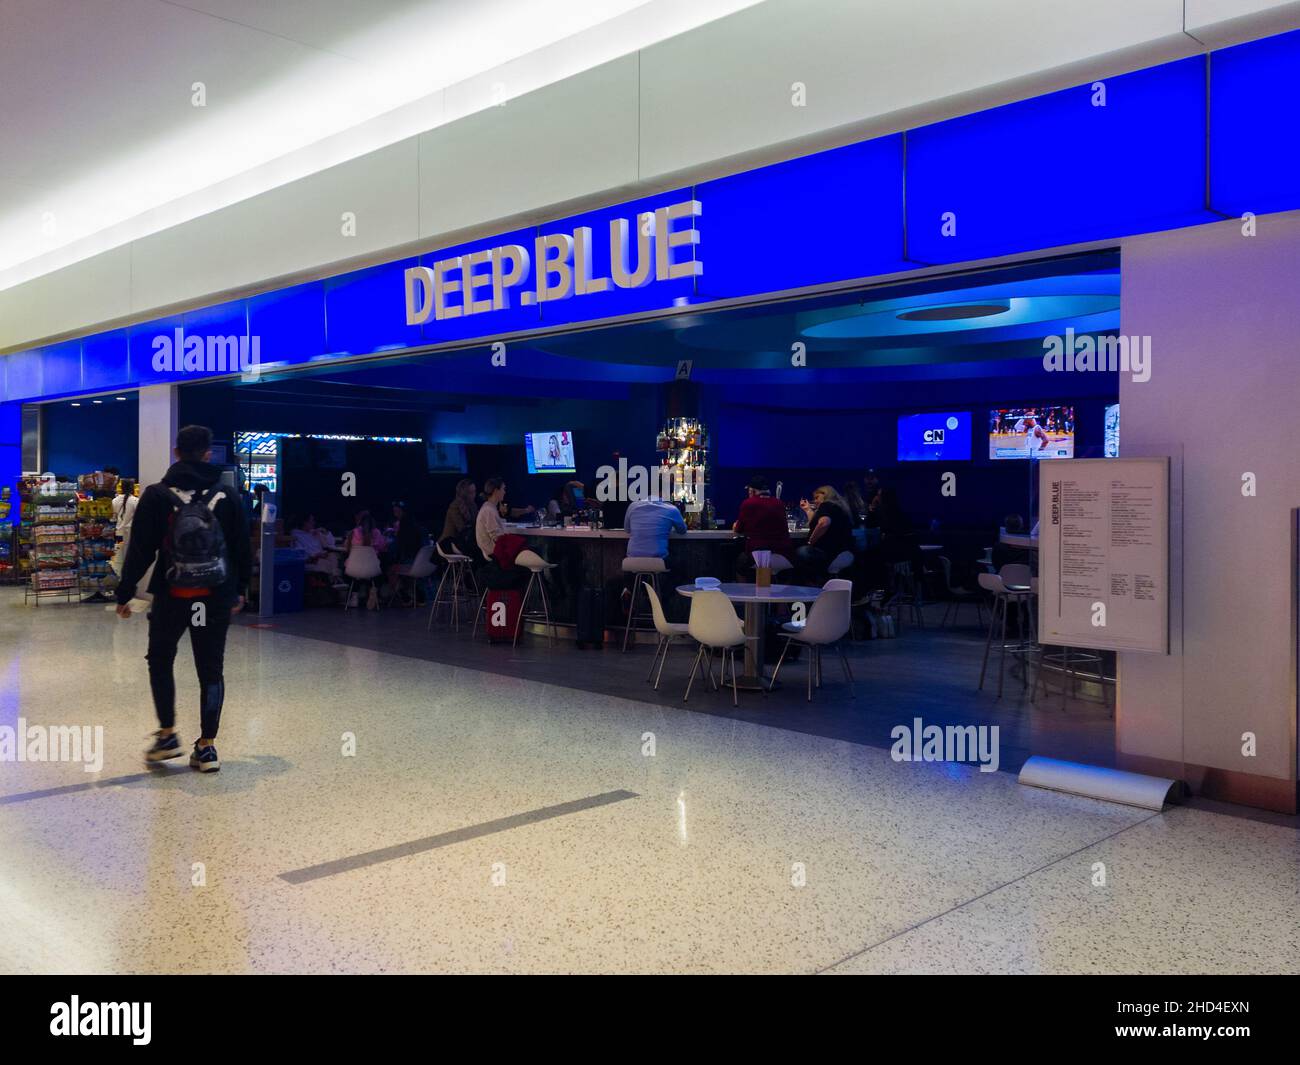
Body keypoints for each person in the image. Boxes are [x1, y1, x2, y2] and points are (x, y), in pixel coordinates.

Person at [114, 425, 251, 774]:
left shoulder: (158, 495)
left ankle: (167, 734)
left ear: (176, 452)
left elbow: (141, 549)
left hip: (173, 597)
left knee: (160, 659)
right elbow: (241, 549)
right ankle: (207, 748)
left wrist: (125, 591)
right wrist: (241, 589)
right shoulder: (227, 495)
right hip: (213, 598)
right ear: (208, 453)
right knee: (211, 669)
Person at [732, 474, 794, 572]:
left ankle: (743, 587)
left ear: (752, 491)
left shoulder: (748, 503)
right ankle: (785, 585)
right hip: (783, 555)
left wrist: (735, 525)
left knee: (741, 561)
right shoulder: (779, 503)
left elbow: (738, 530)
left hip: (758, 556)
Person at [796, 485, 854, 582]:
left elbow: (824, 523)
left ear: (825, 495)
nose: (815, 501)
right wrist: (808, 510)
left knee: (800, 551)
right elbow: (816, 523)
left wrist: (810, 542)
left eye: (817, 497)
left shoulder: (826, 505)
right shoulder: (838, 507)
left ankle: (809, 585)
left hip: (829, 552)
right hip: (843, 552)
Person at [624, 493, 686, 559]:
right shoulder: (672, 509)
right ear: (662, 492)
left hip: (632, 559)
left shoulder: (632, 506)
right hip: (659, 559)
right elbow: (682, 530)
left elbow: (627, 530)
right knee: (680, 560)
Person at [347, 510, 387, 610]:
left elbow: (348, 549)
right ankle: (373, 590)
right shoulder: (377, 533)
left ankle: (354, 597)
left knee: (353, 570)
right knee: (380, 567)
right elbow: (383, 547)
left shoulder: (354, 532)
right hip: (372, 568)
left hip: (354, 568)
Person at [387, 500, 425, 604]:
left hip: (410, 564)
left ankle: (404, 596)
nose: (395, 513)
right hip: (421, 564)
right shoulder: (416, 527)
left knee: (389, 569)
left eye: (397, 511)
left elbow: (396, 548)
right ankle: (418, 595)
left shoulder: (403, 528)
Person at [439, 478, 477, 557]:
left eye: (474, 491)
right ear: (464, 494)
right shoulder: (454, 506)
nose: (474, 494)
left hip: (463, 542)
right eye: (471, 492)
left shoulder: (473, 506)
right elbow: (462, 529)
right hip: (449, 542)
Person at [109, 478, 138, 576]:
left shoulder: (115, 500)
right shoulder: (135, 501)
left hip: (119, 534)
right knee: (130, 559)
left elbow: (112, 518)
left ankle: (119, 578)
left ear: (121, 487)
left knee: (118, 560)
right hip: (132, 534)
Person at [475, 477, 509, 561]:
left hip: (494, 549)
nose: (504, 492)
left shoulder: (490, 507)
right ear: (496, 491)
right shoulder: (489, 510)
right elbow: (496, 537)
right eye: (503, 489)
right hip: (493, 551)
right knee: (530, 550)